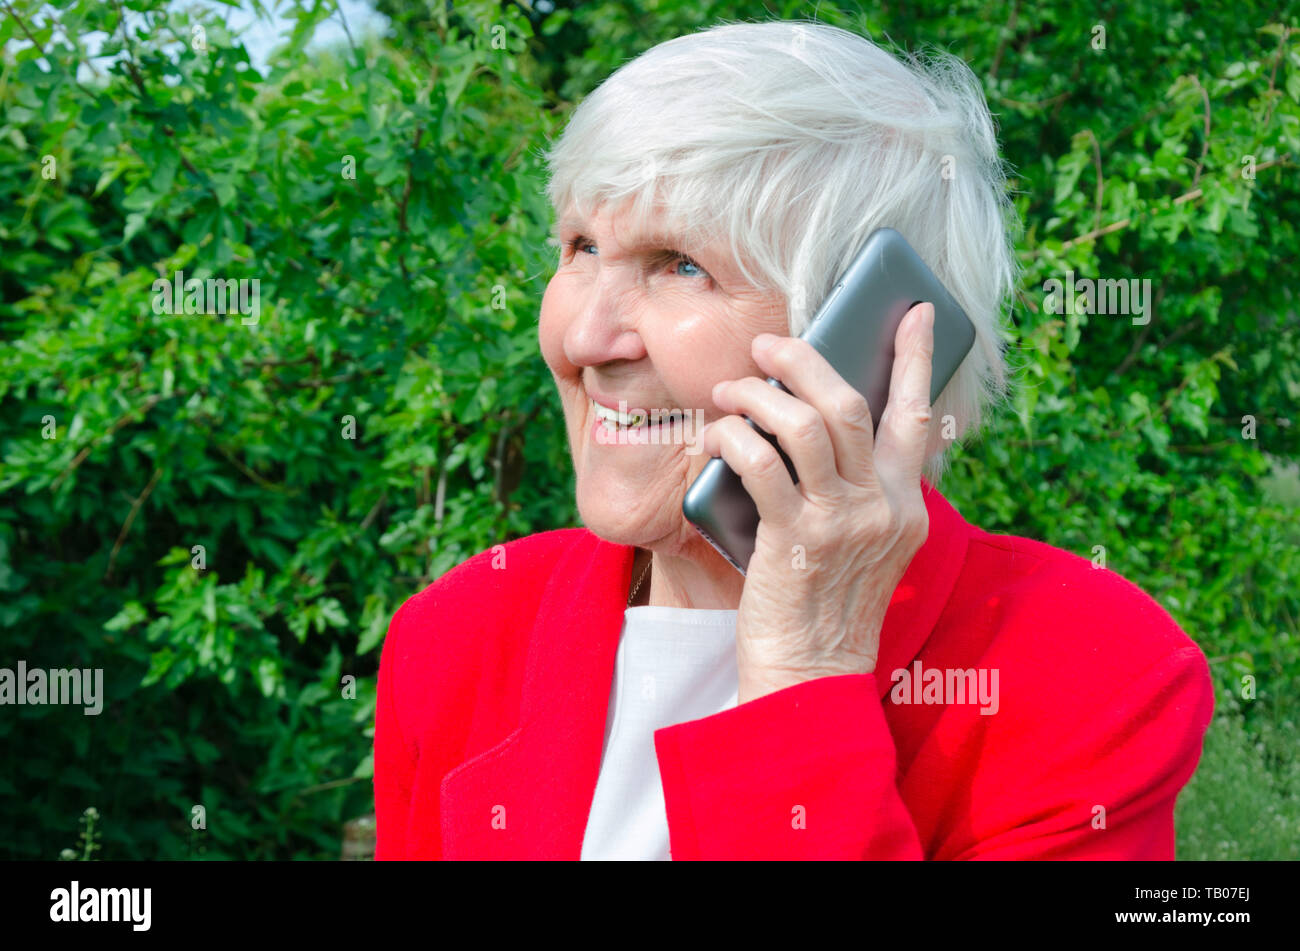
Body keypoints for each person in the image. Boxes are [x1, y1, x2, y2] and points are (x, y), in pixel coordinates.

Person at [374, 19, 1214, 860]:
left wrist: (802, 672)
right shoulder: (457, 638)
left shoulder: (1087, 676)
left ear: (871, 346)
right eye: (582, 246)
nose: (586, 338)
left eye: (680, 264)